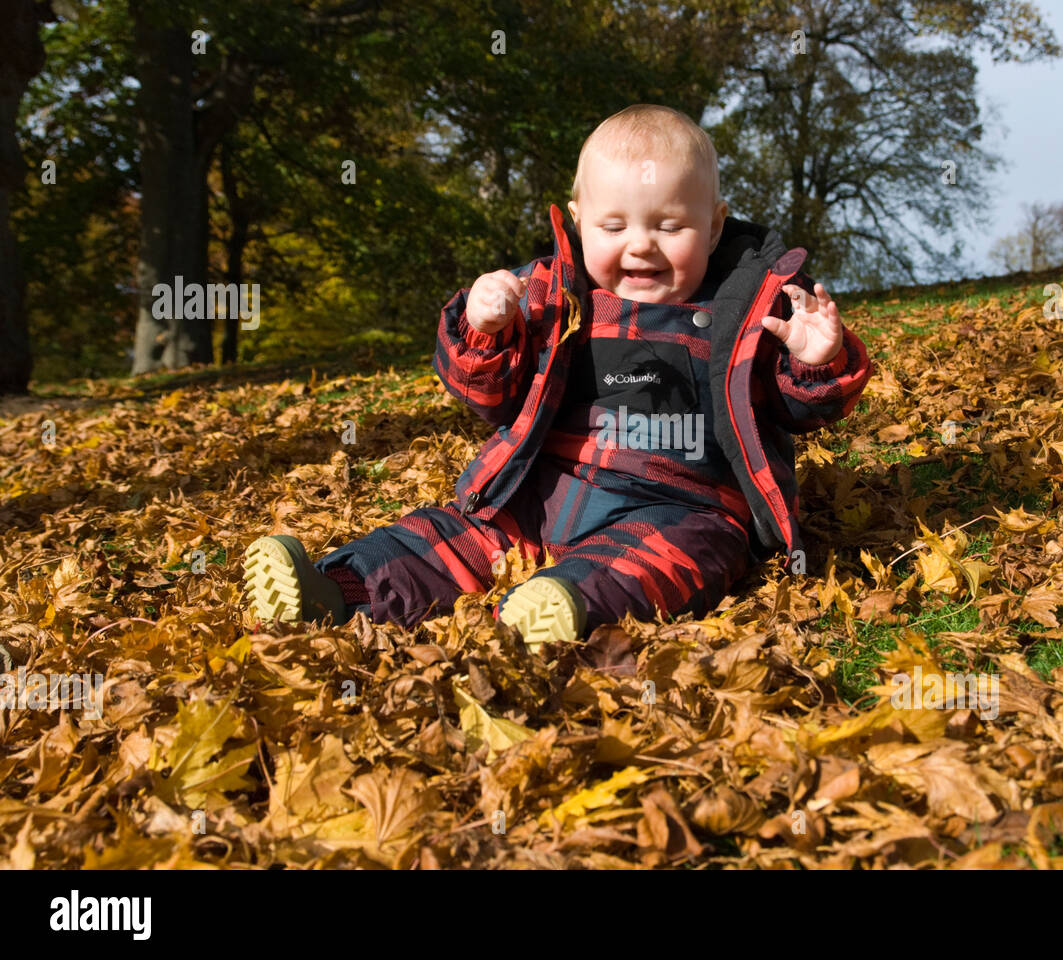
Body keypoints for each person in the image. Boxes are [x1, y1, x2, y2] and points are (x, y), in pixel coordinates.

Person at [242, 104, 873, 649]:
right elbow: (487, 396)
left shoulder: (748, 305)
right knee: (449, 535)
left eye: (670, 226)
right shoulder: (549, 293)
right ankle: (335, 589)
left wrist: (816, 362)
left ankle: (560, 609)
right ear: (577, 219)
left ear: (713, 223)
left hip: (679, 501)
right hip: (541, 490)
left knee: (663, 560)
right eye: (614, 225)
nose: (641, 246)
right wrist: (483, 331)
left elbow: (802, 409)